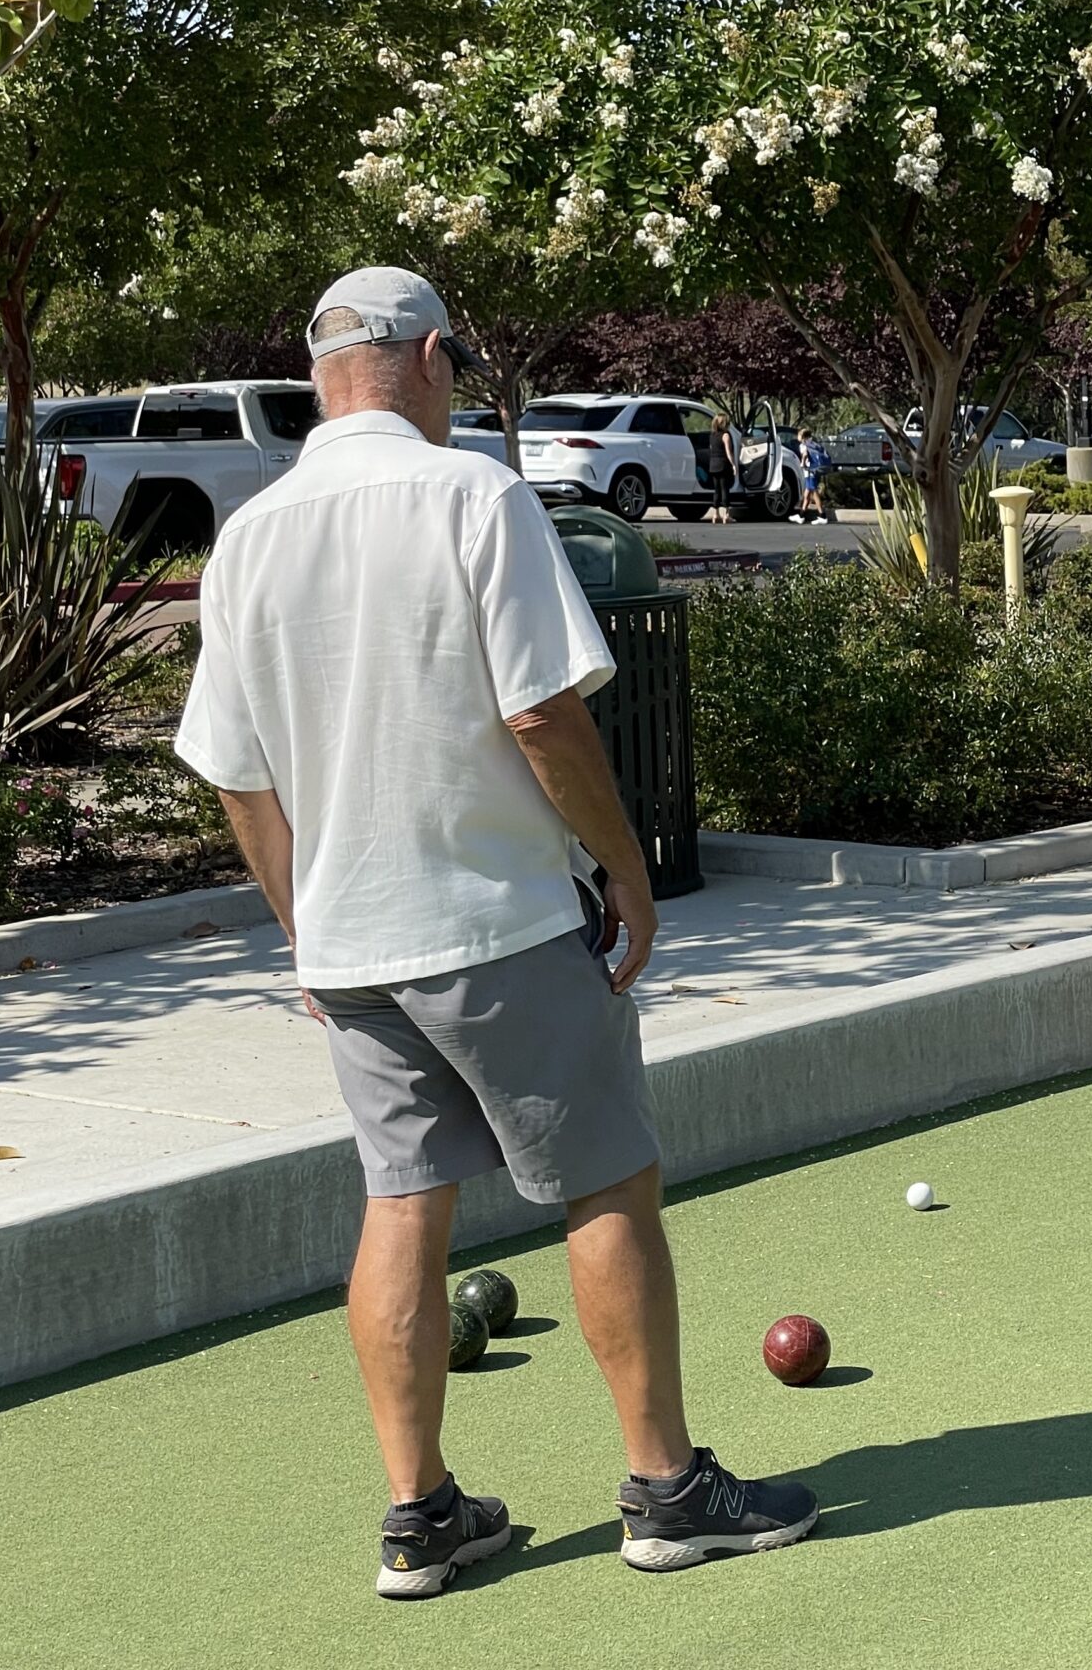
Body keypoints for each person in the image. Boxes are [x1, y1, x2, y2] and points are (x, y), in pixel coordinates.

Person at [174, 267, 816, 1601]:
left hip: (352, 946)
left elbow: (237, 778)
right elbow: (540, 714)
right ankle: (666, 1490)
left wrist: (303, 930)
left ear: (321, 377)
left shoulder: (250, 535)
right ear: (428, 359)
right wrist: (627, 871)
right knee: (607, 1182)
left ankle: (419, 1519)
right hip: (496, 918)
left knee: (402, 1203)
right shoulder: (473, 494)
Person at [706, 407, 737, 524]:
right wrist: (733, 465)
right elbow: (728, 452)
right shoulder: (725, 435)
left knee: (716, 490)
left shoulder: (712, 435)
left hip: (713, 465)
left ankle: (715, 514)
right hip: (723, 465)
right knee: (725, 489)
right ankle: (726, 515)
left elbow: (711, 449)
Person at [797, 425, 831, 524]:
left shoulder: (803, 445)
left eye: (799, 435)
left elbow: (805, 455)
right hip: (816, 469)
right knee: (807, 492)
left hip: (810, 470)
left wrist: (802, 463)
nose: (797, 436)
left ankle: (822, 516)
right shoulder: (814, 443)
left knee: (814, 491)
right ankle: (801, 515)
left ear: (803, 436)